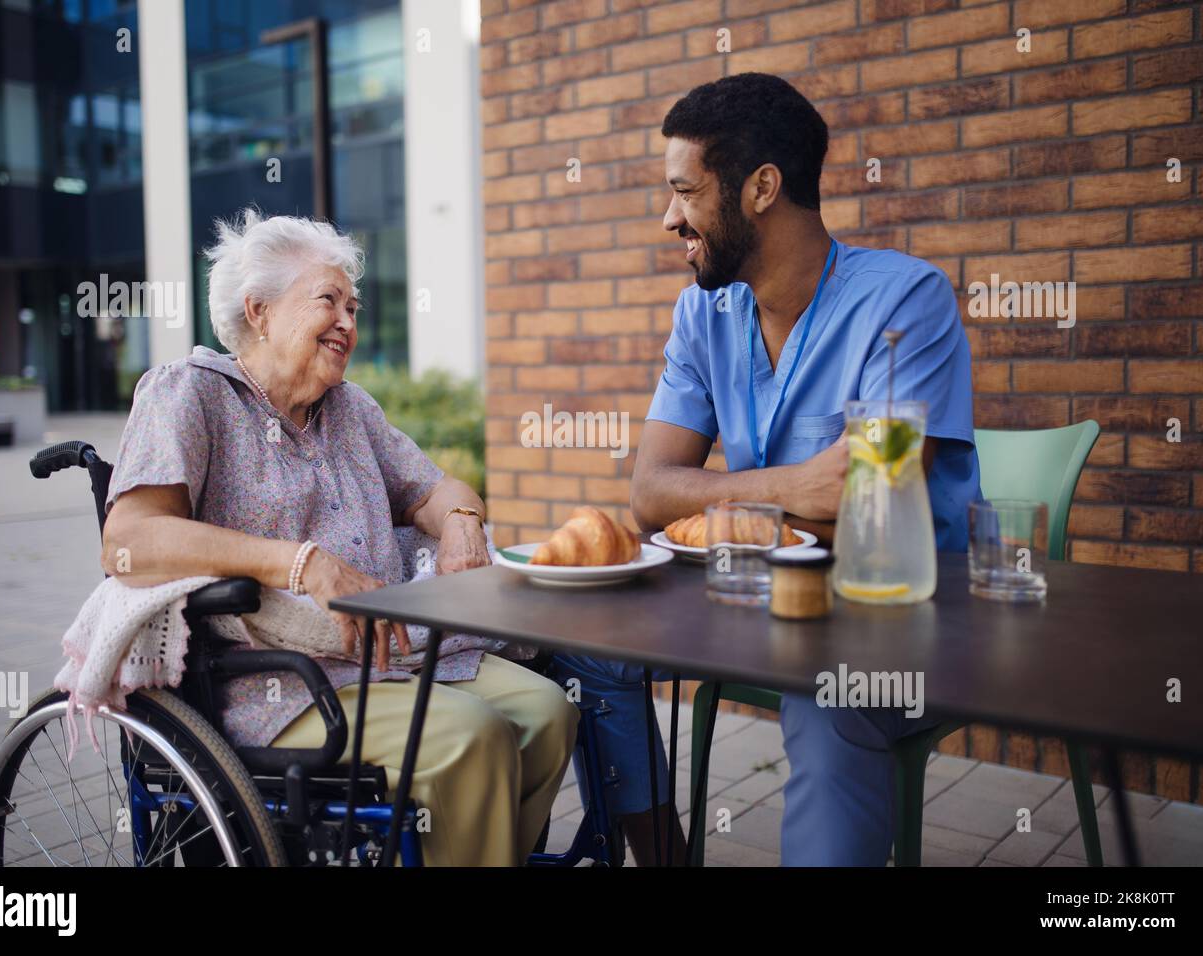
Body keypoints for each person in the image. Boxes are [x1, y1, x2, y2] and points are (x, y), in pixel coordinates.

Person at [552, 73, 981, 866]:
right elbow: (651, 494)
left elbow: (872, 506)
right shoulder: (703, 312)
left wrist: (733, 499)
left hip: (890, 623)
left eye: (685, 191)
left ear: (761, 189)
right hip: (753, 599)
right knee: (581, 648)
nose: (668, 217)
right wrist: (795, 488)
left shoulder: (902, 304)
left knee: (830, 694)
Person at [103, 208, 577, 866]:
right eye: (329, 300)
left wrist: (462, 525)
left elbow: (440, 490)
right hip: (276, 682)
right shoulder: (191, 395)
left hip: (385, 654)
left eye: (353, 306)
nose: (349, 323)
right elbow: (130, 541)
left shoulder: (351, 410)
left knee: (546, 711)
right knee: (473, 736)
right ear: (260, 310)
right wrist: (301, 564)